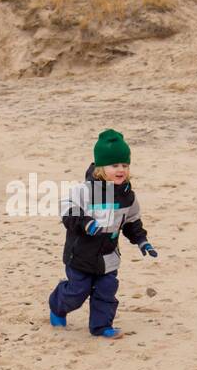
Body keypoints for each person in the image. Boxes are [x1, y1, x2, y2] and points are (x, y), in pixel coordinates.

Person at [48, 129, 157, 339]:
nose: (121, 169)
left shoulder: (128, 197)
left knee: (106, 290)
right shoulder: (86, 191)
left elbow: (132, 221)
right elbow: (67, 209)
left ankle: (101, 326)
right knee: (76, 293)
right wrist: (85, 223)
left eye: (125, 165)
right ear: (100, 168)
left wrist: (142, 241)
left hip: (108, 257)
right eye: (114, 165)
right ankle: (57, 305)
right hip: (80, 255)